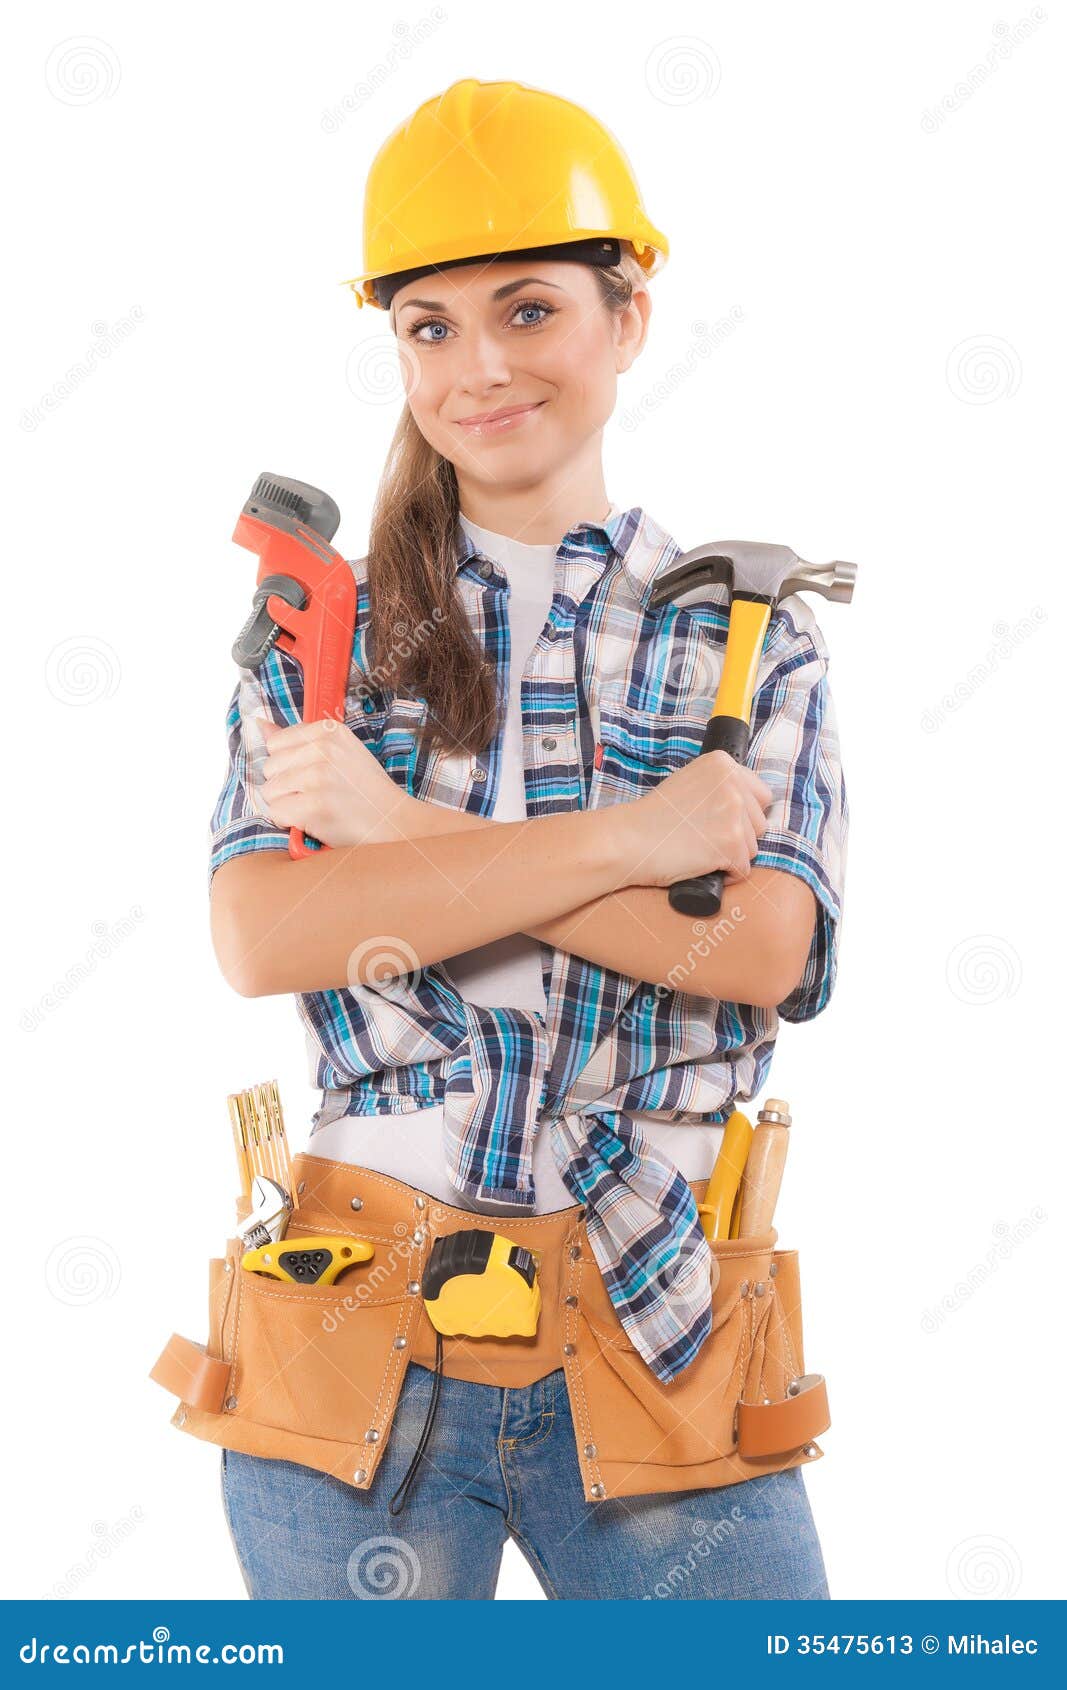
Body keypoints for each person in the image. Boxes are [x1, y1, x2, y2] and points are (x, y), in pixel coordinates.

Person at [207, 78, 847, 1600]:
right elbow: (264, 934)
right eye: (430, 327)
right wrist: (642, 838)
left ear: (626, 318)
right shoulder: (324, 640)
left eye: (529, 309)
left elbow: (762, 950)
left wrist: (401, 834)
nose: (479, 367)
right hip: (354, 1321)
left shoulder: (745, 646)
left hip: (660, 1312)